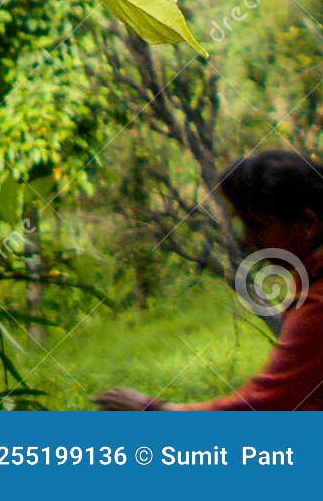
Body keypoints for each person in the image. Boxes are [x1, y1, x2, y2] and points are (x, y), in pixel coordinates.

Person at [94, 151, 323, 411]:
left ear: (308, 224)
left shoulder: (317, 305)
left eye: (257, 226)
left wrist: (157, 410)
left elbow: (262, 405)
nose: (249, 240)